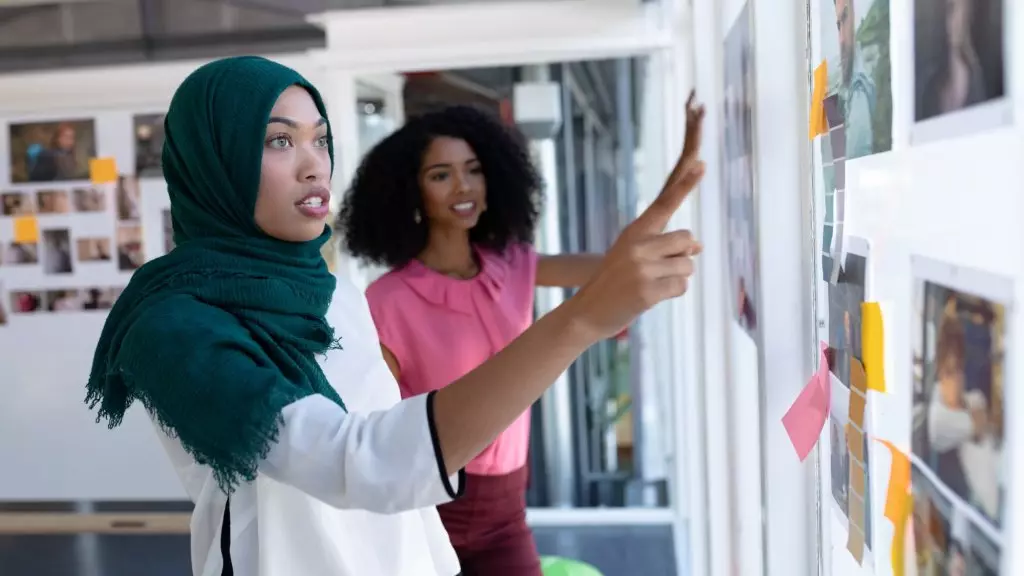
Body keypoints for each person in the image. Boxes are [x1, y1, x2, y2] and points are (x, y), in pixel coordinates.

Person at [84, 56, 705, 576]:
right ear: (212, 160)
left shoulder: (332, 288)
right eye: (279, 140)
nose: (313, 163)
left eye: (319, 138)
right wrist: (581, 322)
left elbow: (396, 493)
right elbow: (355, 460)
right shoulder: (170, 325)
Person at [338, 98, 704, 575]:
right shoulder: (386, 302)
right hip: (424, 503)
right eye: (440, 174)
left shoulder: (513, 266)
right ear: (412, 192)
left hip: (505, 510)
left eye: (473, 169)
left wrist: (687, 154)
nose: (463, 185)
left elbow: (618, 268)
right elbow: (375, 427)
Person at [833, 0, 876, 159]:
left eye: (845, 20)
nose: (842, 39)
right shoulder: (843, 87)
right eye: (838, 26)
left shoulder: (859, 90)